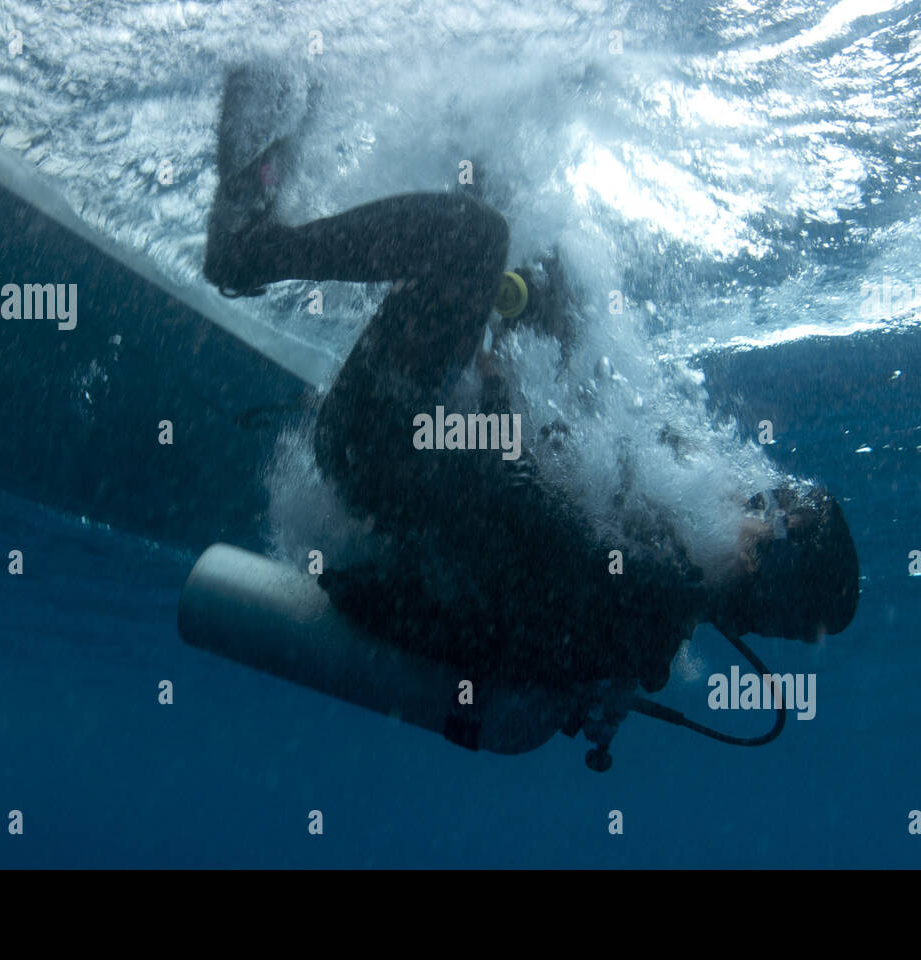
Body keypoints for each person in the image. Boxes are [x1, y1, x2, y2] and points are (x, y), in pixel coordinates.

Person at [203, 65, 859, 762]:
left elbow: (504, 498)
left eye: (772, 504)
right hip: (400, 452)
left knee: (474, 240)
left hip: (374, 449)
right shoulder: (668, 570)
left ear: (763, 559)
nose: (752, 492)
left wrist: (493, 389)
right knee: (543, 280)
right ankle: (474, 104)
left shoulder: (651, 584)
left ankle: (247, 254)